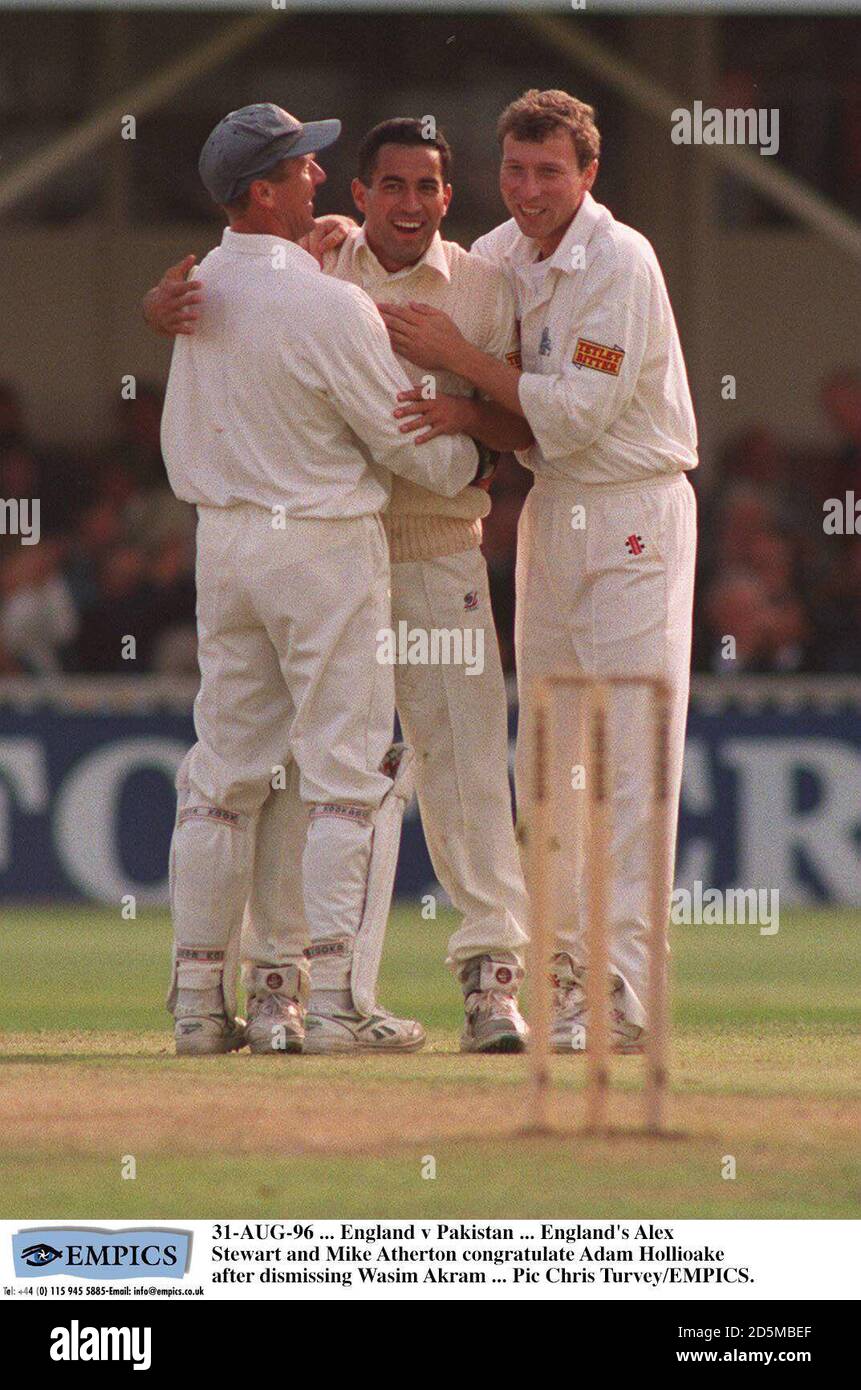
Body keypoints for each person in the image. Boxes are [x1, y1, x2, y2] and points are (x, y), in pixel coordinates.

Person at [146, 118, 533, 1053]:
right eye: (302, 165)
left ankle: (201, 1005)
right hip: (325, 545)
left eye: (426, 185)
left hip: (233, 544)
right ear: (268, 191)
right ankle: (327, 1007)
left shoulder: (204, 291)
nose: (317, 171)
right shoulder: (321, 299)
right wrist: (476, 454)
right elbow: (407, 441)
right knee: (340, 773)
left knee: (226, 775)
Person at [377, 90, 698, 1053]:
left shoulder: (619, 258)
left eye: (549, 172)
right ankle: (565, 984)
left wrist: (464, 367)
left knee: (624, 755)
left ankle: (622, 993)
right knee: (548, 762)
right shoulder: (505, 256)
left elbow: (577, 414)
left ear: (587, 173)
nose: (528, 191)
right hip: (555, 509)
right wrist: (340, 232)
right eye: (513, 171)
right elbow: (425, 276)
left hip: (635, 502)